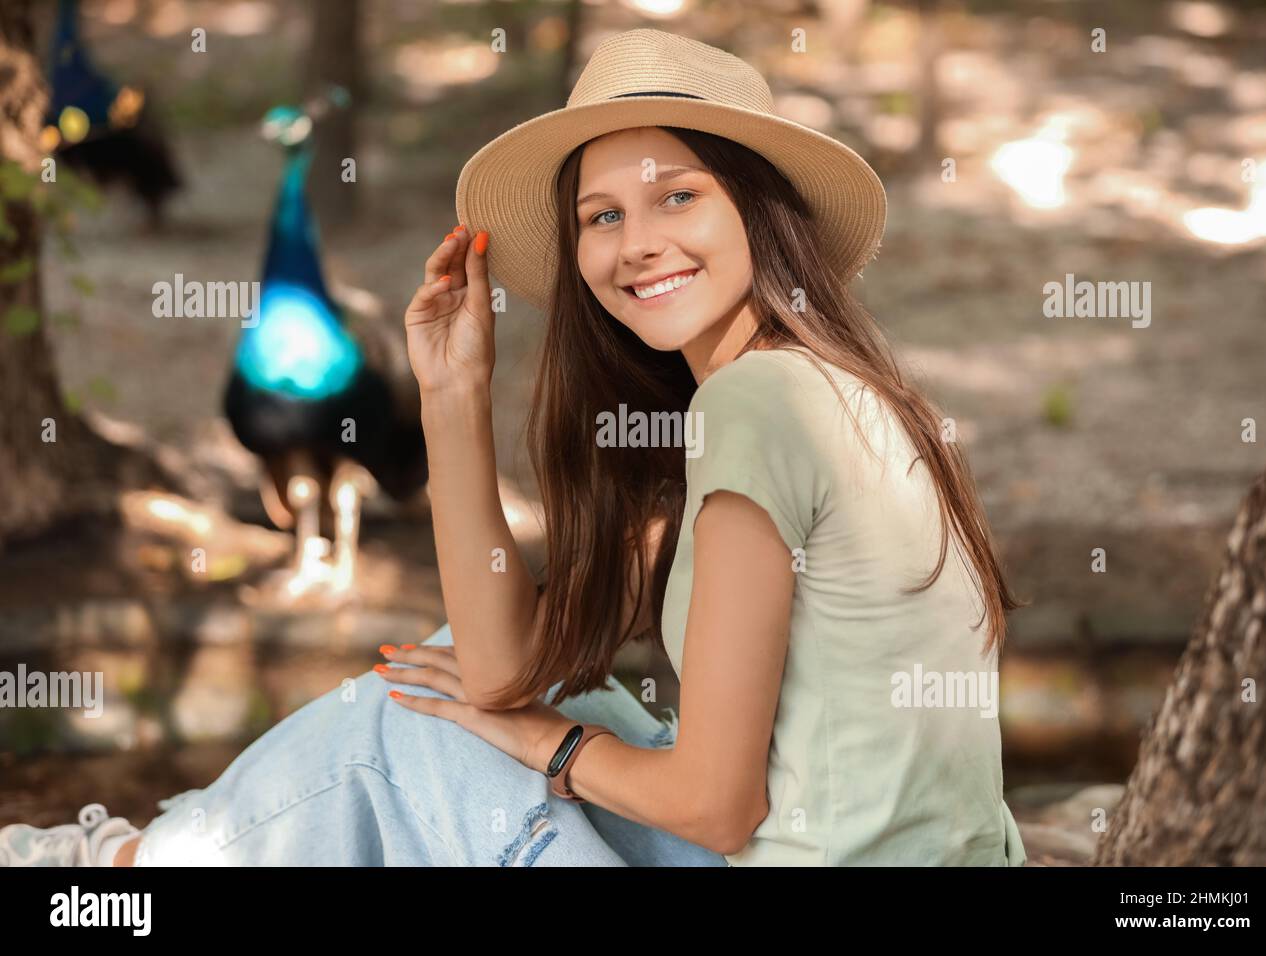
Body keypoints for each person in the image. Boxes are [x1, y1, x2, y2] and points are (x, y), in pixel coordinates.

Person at [1, 28, 1027, 867]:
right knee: (472, 692)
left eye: (679, 195)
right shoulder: (836, 392)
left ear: (757, 206)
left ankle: (111, 871)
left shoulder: (754, 408)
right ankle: (132, 858)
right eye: (602, 215)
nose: (637, 243)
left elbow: (715, 804)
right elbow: (499, 669)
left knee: (413, 732)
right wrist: (452, 395)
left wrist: (541, 742)